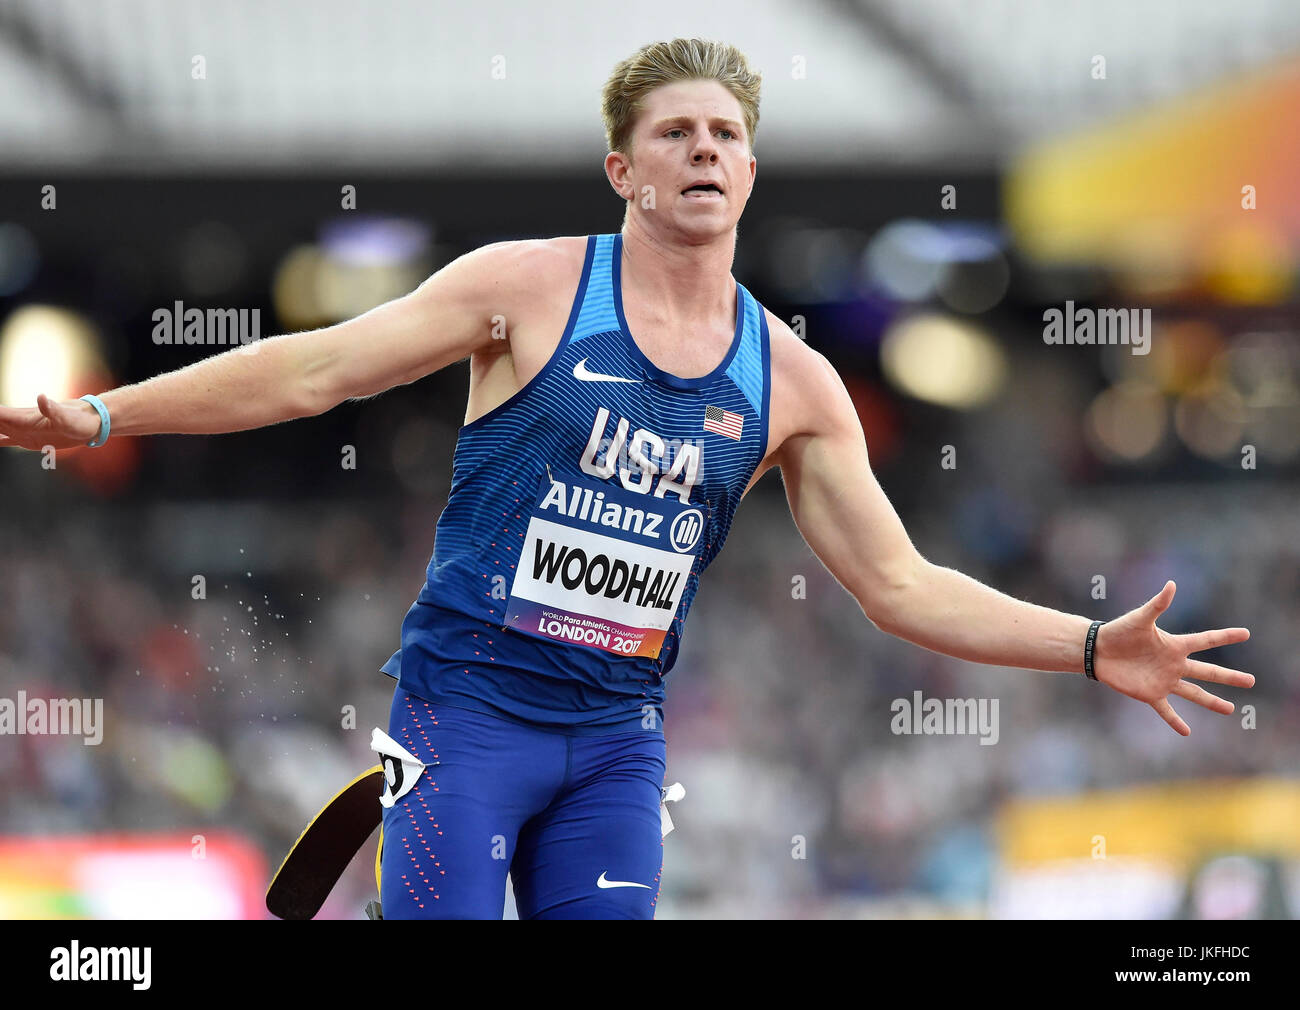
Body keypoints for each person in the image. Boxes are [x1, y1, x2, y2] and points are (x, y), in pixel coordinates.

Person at [0, 38, 1253, 920]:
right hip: (465, 720)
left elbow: (899, 585)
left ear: (750, 174)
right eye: (676, 134)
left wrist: (1091, 645)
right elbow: (319, 370)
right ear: (625, 171)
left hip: (612, 745)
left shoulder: (794, 382)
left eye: (727, 135)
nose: (704, 150)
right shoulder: (528, 289)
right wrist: (108, 412)